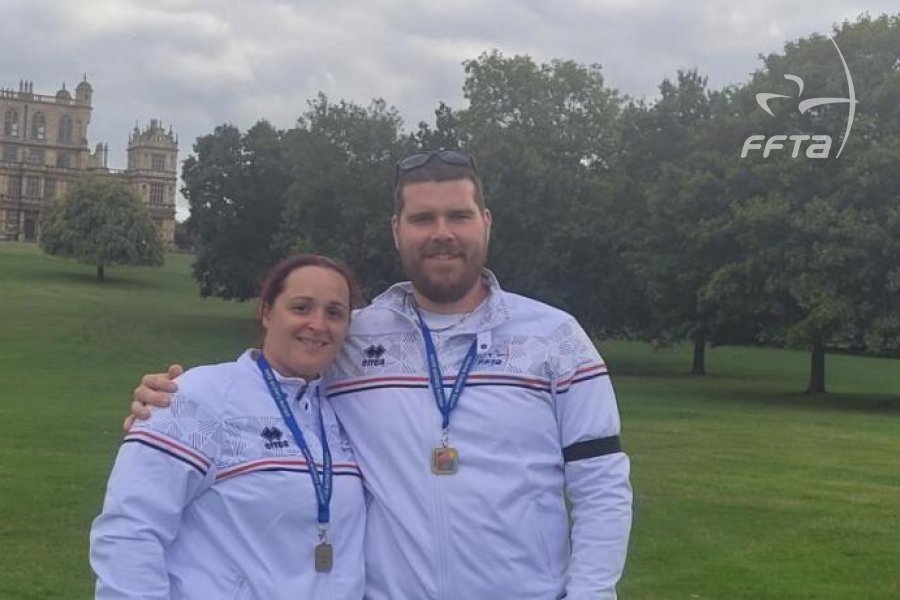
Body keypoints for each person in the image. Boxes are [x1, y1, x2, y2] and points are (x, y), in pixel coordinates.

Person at [132, 150, 633, 600]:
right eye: (422, 218)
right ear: (397, 229)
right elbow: (268, 391)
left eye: (458, 215)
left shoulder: (557, 340)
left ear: (485, 223)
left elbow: (601, 486)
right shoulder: (352, 337)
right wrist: (171, 407)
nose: (442, 232)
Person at [92, 254, 367, 599]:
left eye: (334, 313)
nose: (318, 324)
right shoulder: (195, 396)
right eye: (301, 307)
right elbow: (129, 531)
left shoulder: (347, 410)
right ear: (266, 312)